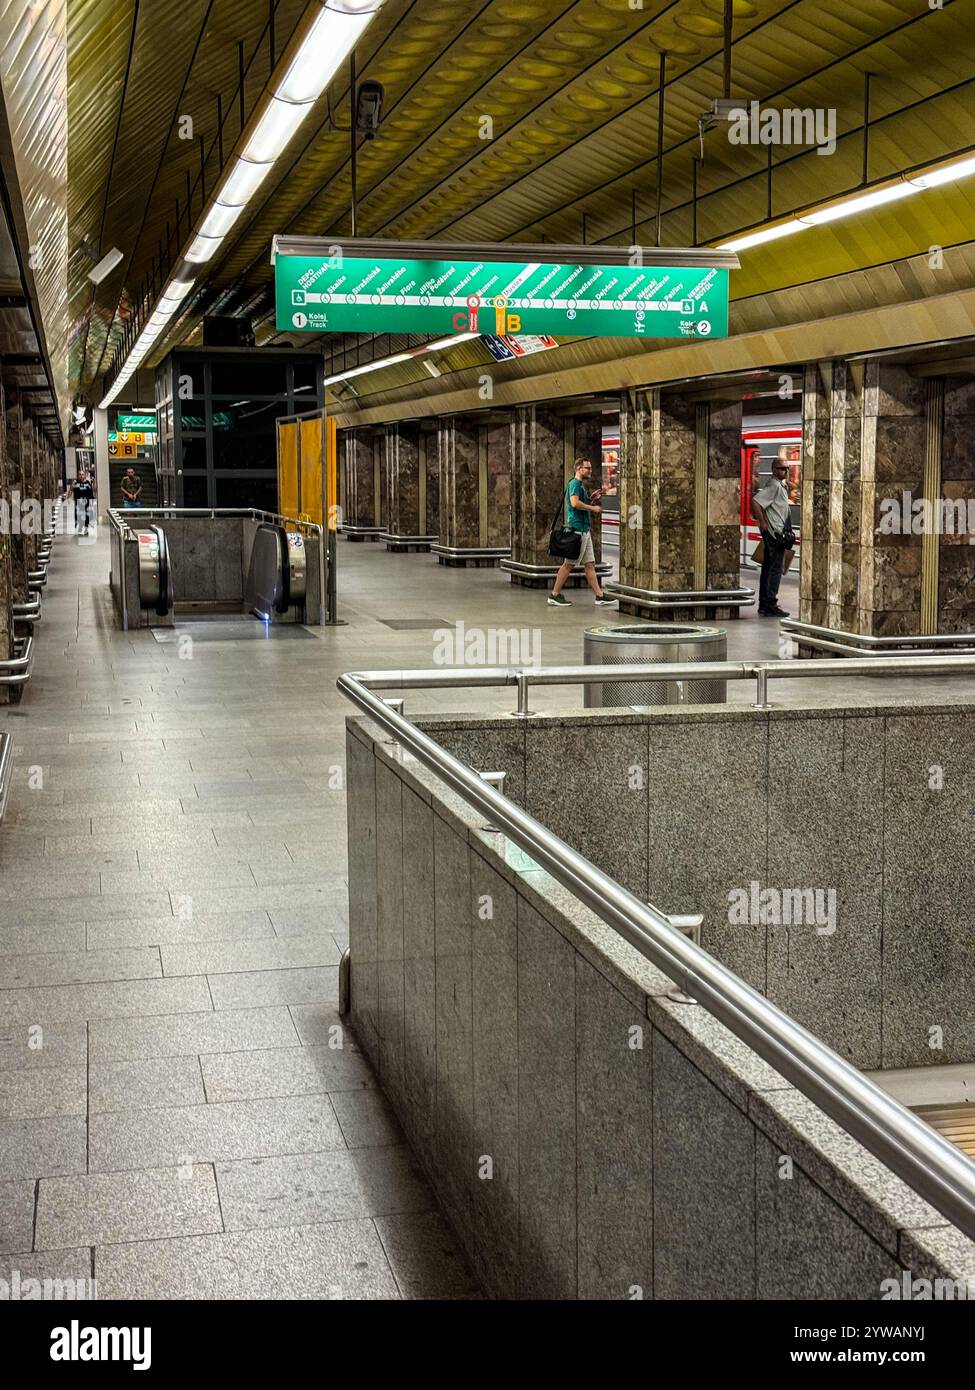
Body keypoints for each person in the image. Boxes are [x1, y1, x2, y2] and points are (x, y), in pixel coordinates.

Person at [548, 457, 617, 608]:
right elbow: (574, 503)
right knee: (569, 564)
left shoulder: (580, 486)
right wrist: (593, 508)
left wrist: (591, 499)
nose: (590, 471)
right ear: (579, 468)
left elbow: (579, 503)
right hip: (578, 530)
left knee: (590, 564)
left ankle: (599, 596)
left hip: (584, 530)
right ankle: (554, 594)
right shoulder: (574, 483)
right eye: (587, 468)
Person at [751, 458, 793, 617]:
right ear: (774, 470)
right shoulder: (774, 486)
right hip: (774, 534)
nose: (786, 472)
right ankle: (770, 604)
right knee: (775, 569)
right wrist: (763, 523)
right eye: (783, 469)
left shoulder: (781, 486)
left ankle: (764, 604)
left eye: (788, 469)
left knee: (769, 568)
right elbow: (756, 501)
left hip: (776, 533)